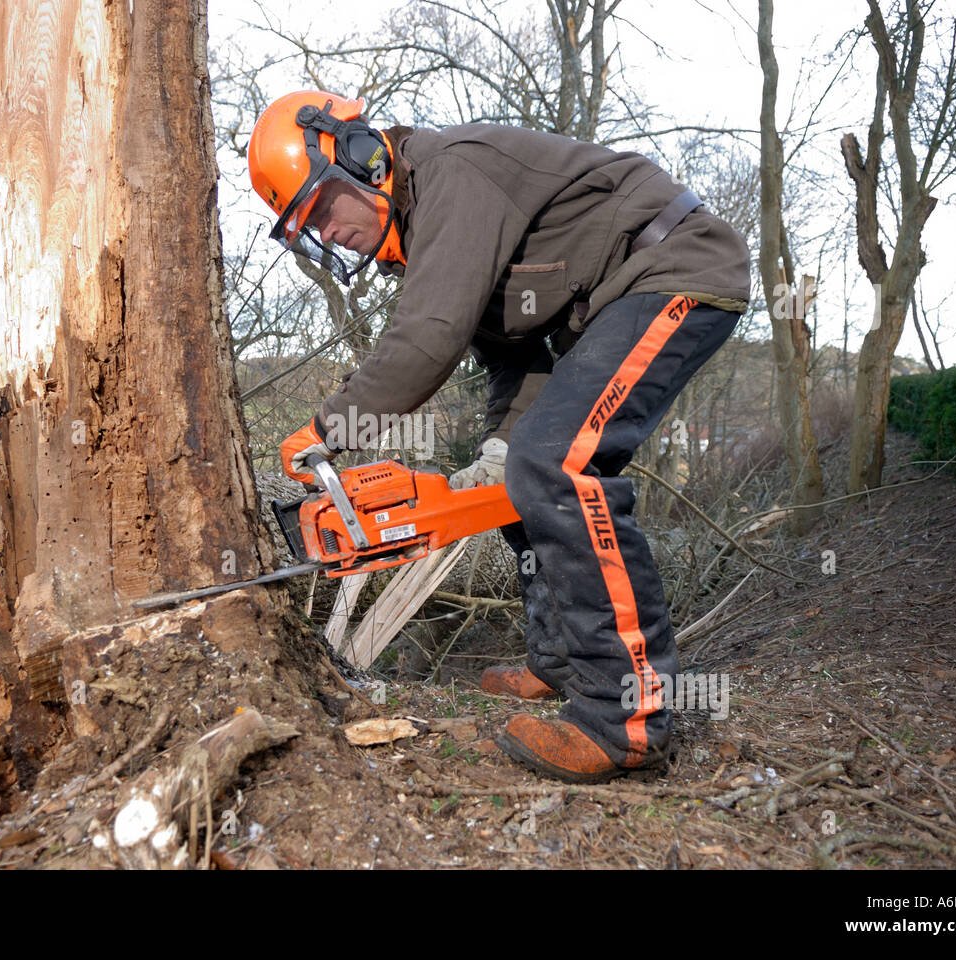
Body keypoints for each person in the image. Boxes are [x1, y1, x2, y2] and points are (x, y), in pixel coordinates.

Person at [247, 90, 750, 783]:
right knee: (522, 468)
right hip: (608, 311)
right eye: (309, 226)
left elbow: (428, 336)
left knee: (558, 465)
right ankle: (563, 662)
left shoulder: (453, 173)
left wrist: (329, 425)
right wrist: (497, 454)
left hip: (673, 268)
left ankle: (623, 718)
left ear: (360, 158)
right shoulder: (427, 236)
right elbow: (515, 362)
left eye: (323, 207)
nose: (327, 232)